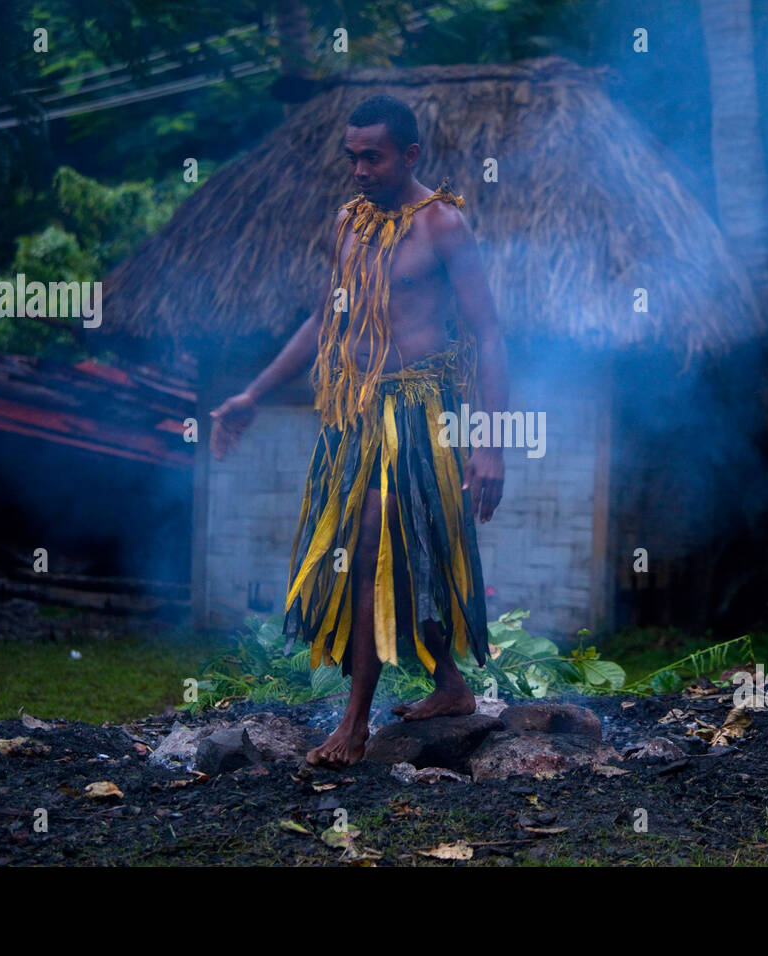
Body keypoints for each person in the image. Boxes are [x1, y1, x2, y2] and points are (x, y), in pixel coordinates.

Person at [210, 94, 509, 765]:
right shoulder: (348, 221)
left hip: (416, 413)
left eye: (372, 156)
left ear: (409, 154)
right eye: (352, 156)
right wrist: (254, 394)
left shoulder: (443, 227)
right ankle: (450, 683)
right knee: (386, 550)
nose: (359, 168)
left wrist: (491, 442)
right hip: (353, 416)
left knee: (376, 547)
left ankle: (354, 724)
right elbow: (324, 322)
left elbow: (489, 334)